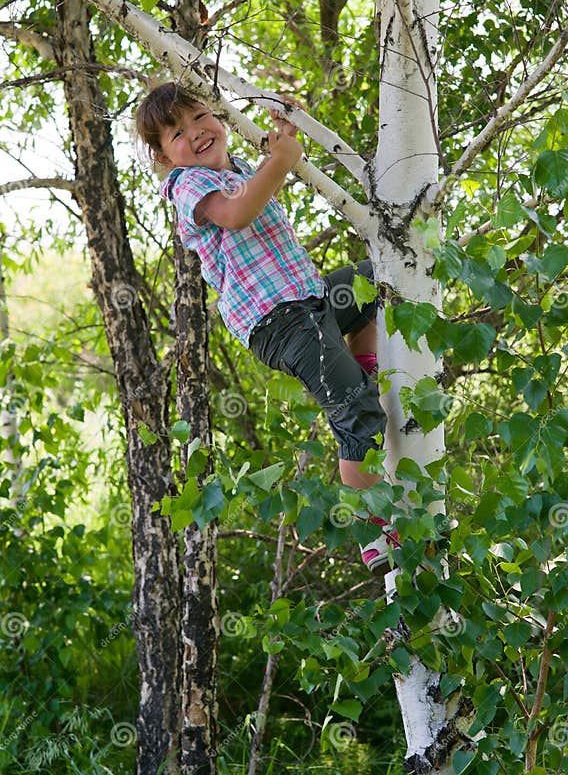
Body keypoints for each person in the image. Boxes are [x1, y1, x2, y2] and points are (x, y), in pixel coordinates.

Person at [135, 81, 396, 574]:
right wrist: (282, 160)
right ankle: (377, 532)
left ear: (217, 116)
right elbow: (236, 214)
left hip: (313, 301)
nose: (195, 133)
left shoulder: (239, 169)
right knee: (358, 417)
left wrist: (284, 135)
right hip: (280, 322)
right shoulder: (187, 185)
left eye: (199, 117)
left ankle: (361, 366)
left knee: (381, 280)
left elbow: (260, 184)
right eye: (176, 133)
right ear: (165, 157)